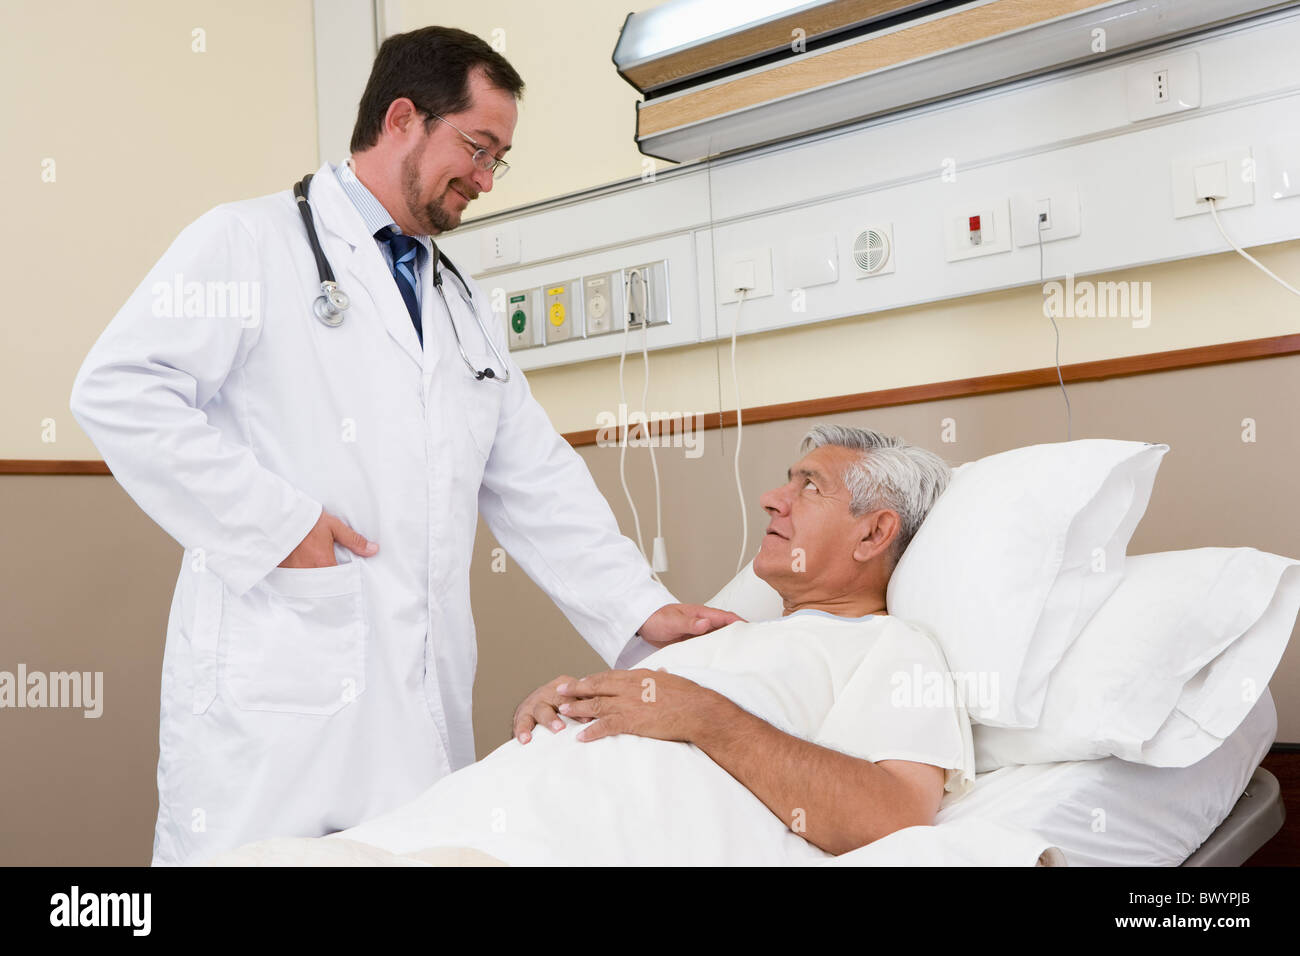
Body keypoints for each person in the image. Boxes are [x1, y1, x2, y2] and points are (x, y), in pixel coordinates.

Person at [68, 26, 735, 867]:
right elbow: (117, 389)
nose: (487, 179)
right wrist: (279, 525)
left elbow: (535, 479)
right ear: (402, 118)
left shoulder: (457, 301)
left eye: (501, 159)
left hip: (413, 717)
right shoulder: (249, 242)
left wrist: (641, 609)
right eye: (478, 148)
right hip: (276, 706)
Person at [213, 425, 976, 866]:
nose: (774, 497)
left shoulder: (893, 649)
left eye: (809, 486)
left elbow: (893, 818)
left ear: (876, 531)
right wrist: (564, 709)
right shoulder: (725, 639)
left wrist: (703, 715)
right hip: (438, 834)